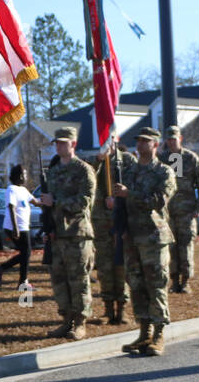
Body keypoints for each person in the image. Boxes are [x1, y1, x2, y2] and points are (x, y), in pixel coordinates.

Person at [114, 129, 176, 356]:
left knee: (156, 284)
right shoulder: (128, 172)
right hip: (132, 236)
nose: (140, 145)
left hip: (153, 237)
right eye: (138, 141)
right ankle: (144, 332)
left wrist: (128, 194)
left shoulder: (164, 172)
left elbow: (158, 201)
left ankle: (159, 335)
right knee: (137, 285)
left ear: (156, 145)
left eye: (145, 141)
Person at [37, 126, 96, 339]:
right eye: (57, 142)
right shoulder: (52, 173)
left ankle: (80, 323)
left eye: (64, 142)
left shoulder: (83, 170)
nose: (60, 146)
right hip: (57, 235)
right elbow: (49, 206)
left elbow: (85, 202)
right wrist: (47, 226)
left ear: (73, 144)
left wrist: (57, 202)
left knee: (78, 279)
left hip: (77, 234)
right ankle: (66, 320)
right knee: (59, 280)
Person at [161, 124, 199, 293]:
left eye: (174, 139)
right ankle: (174, 281)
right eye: (169, 139)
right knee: (171, 247)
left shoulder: (190, 158)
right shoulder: (162, 159)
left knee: (186, 246)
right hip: (168, 213)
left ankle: (186, 281)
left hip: (187, 212)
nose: (172, 142)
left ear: (180, 139)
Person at [92, 136, 134, 325]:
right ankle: (108, 309)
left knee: (122, 266)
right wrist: (100, 159)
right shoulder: (98, 161)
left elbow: (135, 186)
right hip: (101, 223)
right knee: (105, 267)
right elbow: (88, 178)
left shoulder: (128, 161)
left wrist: (120, 200)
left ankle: (122, 309)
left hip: (122, 220)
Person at [0, 164, 35, 289]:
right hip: (15, 227)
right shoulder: (11, 189)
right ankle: (22, 281)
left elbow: (35, 201)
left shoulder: (23, 190)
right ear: (20, 176)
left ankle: (1, 269)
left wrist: (49, 202)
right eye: (25, 174)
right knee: (26, 252)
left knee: (26, 253)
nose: (26, 176)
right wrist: (15, 228)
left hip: (24, 226)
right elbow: (11, 206)